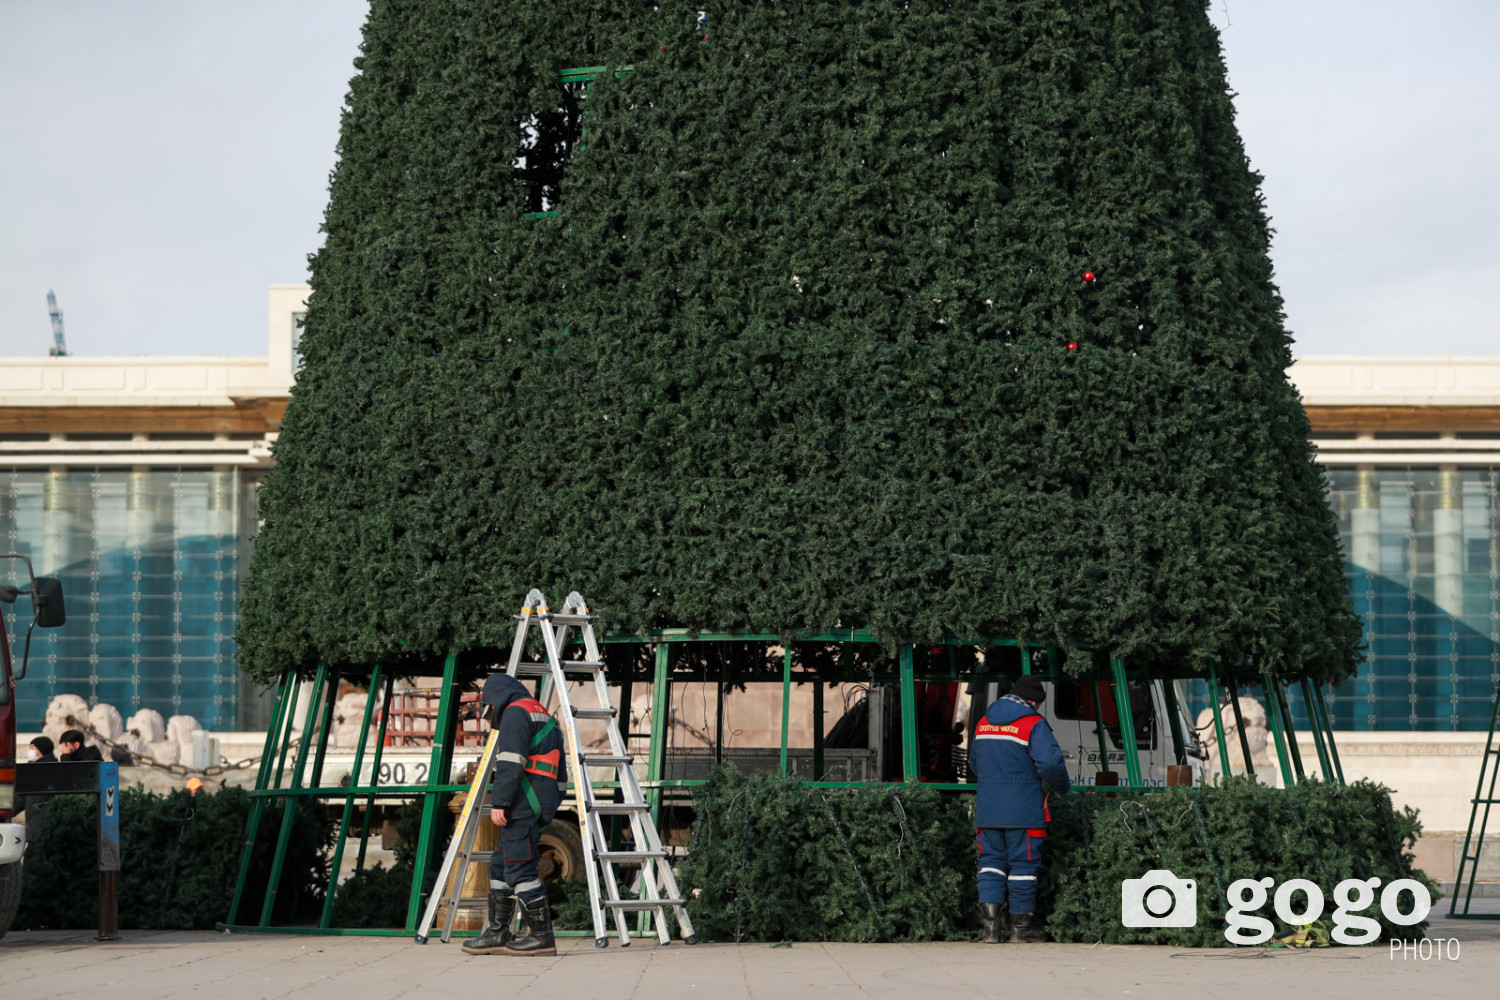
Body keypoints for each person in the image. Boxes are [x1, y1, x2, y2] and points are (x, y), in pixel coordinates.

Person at [463, 673, 566, 957]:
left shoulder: (514, 713)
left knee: (520, 868)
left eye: (488, 710)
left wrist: (500, 803)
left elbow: (510, 762)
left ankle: (542, 936)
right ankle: (497, 932)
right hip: (538, 800)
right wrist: (553, 801)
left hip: (522, 800)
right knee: (500, 865)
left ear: (494, 701)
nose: (489, 717)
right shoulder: (540, 712)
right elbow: (561, 766)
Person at [970, 674, 1070, 943]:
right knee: (1023, 867)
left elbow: (975, 763)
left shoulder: (983, 722)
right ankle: (1020, 930)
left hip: (988, 810)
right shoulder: (1033, 723)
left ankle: (990, 931)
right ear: (1033, 702)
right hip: (1024, 810)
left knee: (990, 864)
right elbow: (1050, 764)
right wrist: (1061, 788)